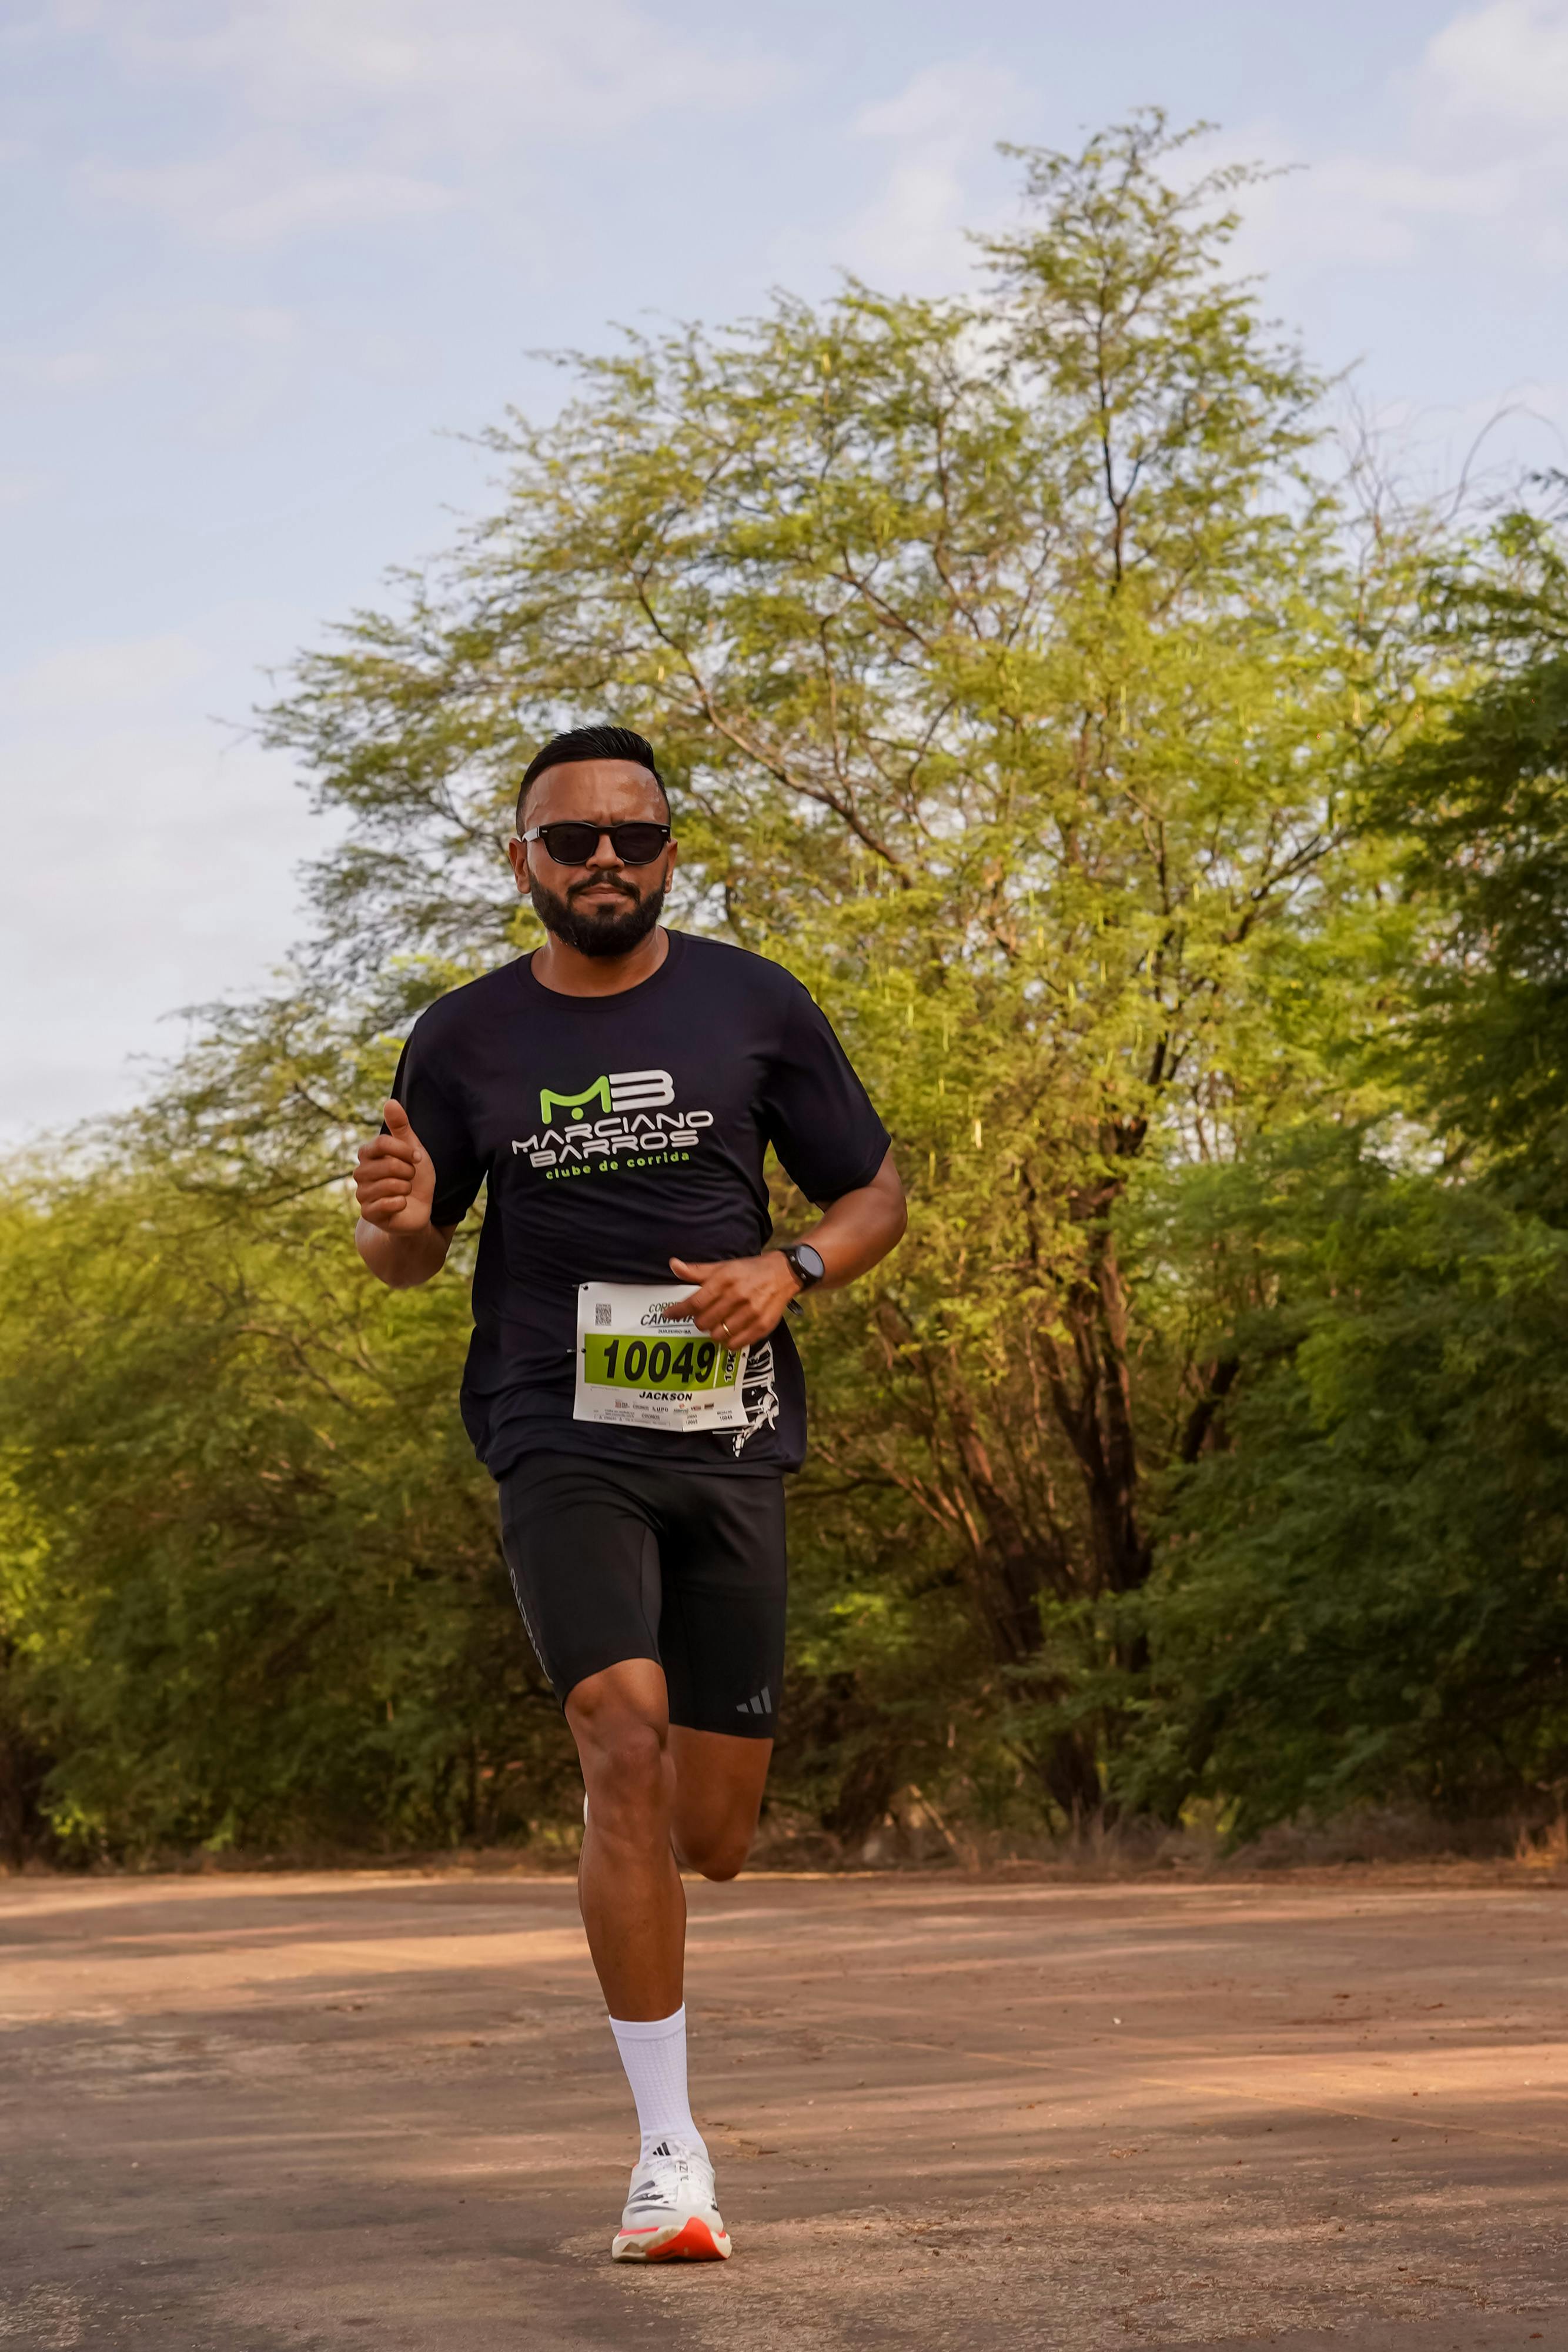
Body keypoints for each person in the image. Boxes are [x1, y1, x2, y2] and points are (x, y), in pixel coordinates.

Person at [351, 724, 905, 2263]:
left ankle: (663, 1898)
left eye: (633, 839)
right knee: (620, 1734)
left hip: (725, 1435)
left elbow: (873, 1190)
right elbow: (408, 1254)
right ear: (520, 861)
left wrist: (787, 1269)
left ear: (671, 853)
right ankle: (669, 2155)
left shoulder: (752, 1003)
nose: (604, 862)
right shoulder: (461, 1040)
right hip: (554, 1421)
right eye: (570, 841)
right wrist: (390, 1228)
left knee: (712, 1828)